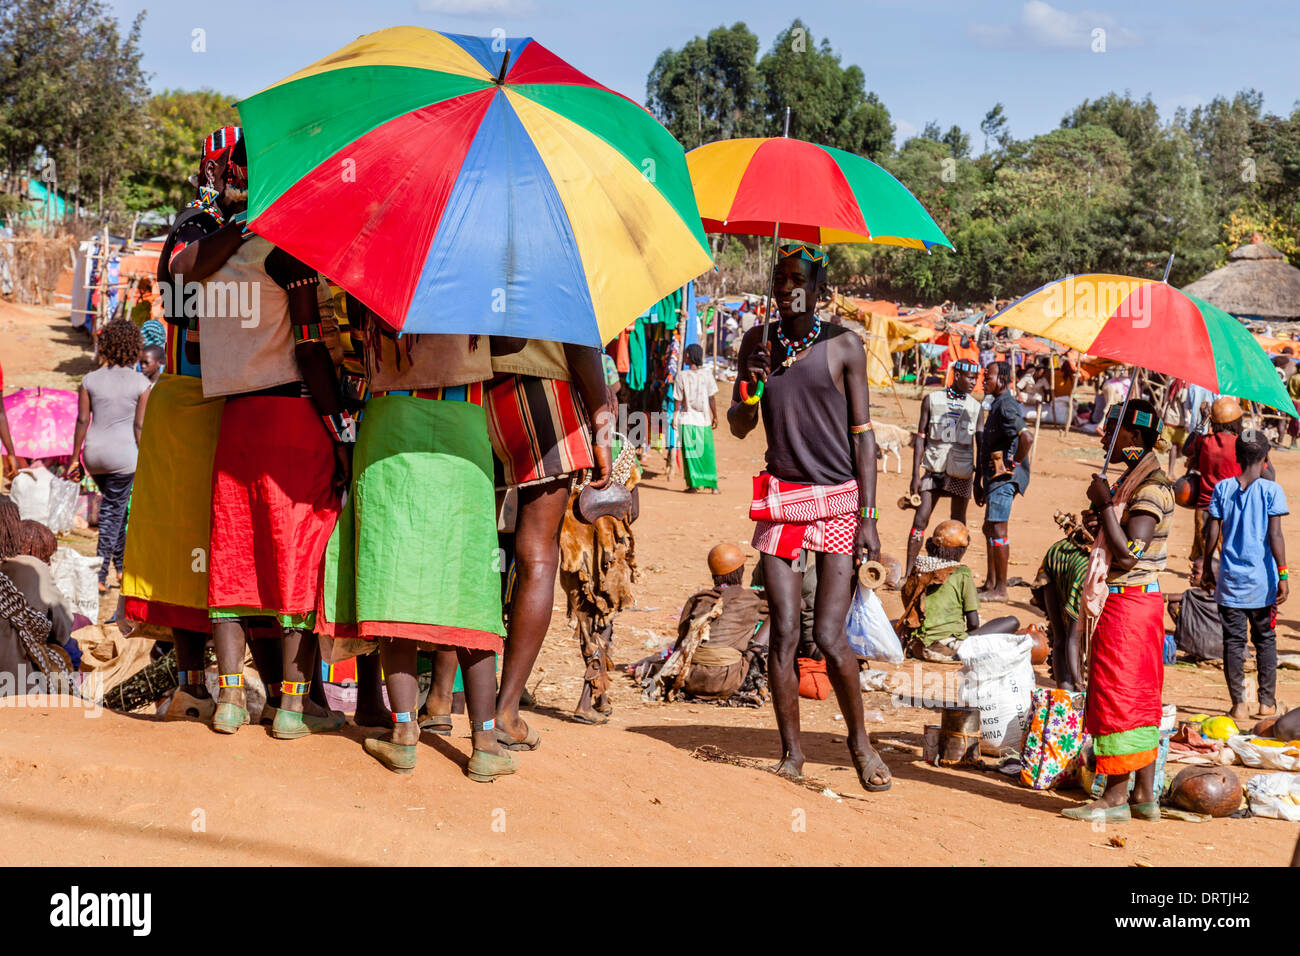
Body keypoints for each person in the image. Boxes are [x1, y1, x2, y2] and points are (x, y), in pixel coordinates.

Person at [180, 135, 347, 740]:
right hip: (293, 417)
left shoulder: (213, 255)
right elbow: (310, 350)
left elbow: (179, 267)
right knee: (297, 557)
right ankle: (292, 707)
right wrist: (343, 428)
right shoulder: (290, 255)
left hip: (236, 420)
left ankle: (228, 699)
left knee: (233, 552)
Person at [312, 303, 510, 780]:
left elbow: (351, 353)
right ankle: (484, 742)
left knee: (391, 578)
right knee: (470, 590)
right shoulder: (479, 279)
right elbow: (508, 348)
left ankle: (403, 733)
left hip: (390, 426)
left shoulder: (374, 278)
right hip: (463, 425)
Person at [728, 243, 889, 792]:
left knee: (830, 633)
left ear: (818, 287)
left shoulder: (844, 345)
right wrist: (750, 387)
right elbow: (739, 426)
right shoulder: (757, 342)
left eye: (797, 278)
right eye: (779, 277)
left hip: (841, 499)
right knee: (785, 633)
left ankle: (860, 744)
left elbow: (863, 440)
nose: (786, 286)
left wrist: (868, 519)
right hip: (782, 499)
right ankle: (792, 752)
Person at [486, 338, 612, 752]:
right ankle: (504, 713)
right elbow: (579, 346)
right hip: (545, 397)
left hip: (479, 394)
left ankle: (439, 702)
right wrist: (602, 424)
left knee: (480, 547)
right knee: (538, 553)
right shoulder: (566, 271)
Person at [1062, 398, 1175, 823]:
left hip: (1130, 605)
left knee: (1119, 695)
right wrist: (1102, 516)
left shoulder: (1149, 488)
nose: (1104, 433)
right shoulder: (1137, 479)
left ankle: (1114, 798)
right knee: (1142, 696)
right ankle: (1144, 795)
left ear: (1135, 435)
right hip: (1138, 604)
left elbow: (1128, 556)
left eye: (1113, 426)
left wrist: (1107, 504)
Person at [1201, 430, 1288, 723]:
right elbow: (1275, 535)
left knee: (1234, 643)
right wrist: (1283, 575)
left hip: (1229, 583)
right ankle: (1267, 703)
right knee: (1265, 639)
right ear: (1266, 459)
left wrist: (1205, 568)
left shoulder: (1223, 489)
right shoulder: (1271, 490)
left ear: (1237, 458)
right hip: (1262, 584)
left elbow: (1212, 531)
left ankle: (1238, 704)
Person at [68, 318, 149, 595]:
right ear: (134, 347)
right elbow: (139, 426)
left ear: (105, 346)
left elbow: (81, 421)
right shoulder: (141, 383)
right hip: (124, 456)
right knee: (114, 511)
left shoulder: (89, 380)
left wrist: (73, 459)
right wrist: (147, 457)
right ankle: (100, 574)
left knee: (117, 508)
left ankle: (121, 566)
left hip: (94, 455)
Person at [896, 520, 1018, 662]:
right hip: (946, 647)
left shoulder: (919, 569)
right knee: (1012, 622)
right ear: (961, 551)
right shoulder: (961, 572)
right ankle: (952, 647)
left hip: (918, 646)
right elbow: (973, 623)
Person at [906, 358, 980, 575]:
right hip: (933, 470)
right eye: (970, 377)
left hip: (962, 472)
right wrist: (914, 475)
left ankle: (953, 572)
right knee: (920, 519)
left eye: (976, 378)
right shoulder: (932, 400)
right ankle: (909, 573)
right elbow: (920, 438)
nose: (973, 382)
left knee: (958, 525)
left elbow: (981, 444)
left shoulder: (975, 408)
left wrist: (980, 481)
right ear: (957, 376)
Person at [1183, 397, 1269, 582]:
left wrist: (1203, 421)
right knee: (1233, 557)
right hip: (1236, 509)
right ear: (1237, 422)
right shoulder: (1242, 444)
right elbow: (1269, 475)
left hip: (1205, 509)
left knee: (1207, 556)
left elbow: (1186, 449)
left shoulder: (1204, 442)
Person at [975, 360, 1027, 600]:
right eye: (984, 377)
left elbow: (1025, 438)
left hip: (1003, 479)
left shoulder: (1006, 406)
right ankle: (991, 583)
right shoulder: (998, 404)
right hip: (993, 477)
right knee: (990, 528)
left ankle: (1001, 590)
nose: (984, 381)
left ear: (1003, 381)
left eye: (989, 377)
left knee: (998, 530)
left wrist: (1013, 463)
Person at [674, 343, 719, 494]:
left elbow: (678, 399)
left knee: (691, 454)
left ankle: (693, 485)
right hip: (704, 420)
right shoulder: (707, 374)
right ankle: (712, 485)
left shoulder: (681, 375)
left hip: (687, 420)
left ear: (688, 356)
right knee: (707, 452)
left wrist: (675, 415)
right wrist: (716, 416)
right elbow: (711, 398)